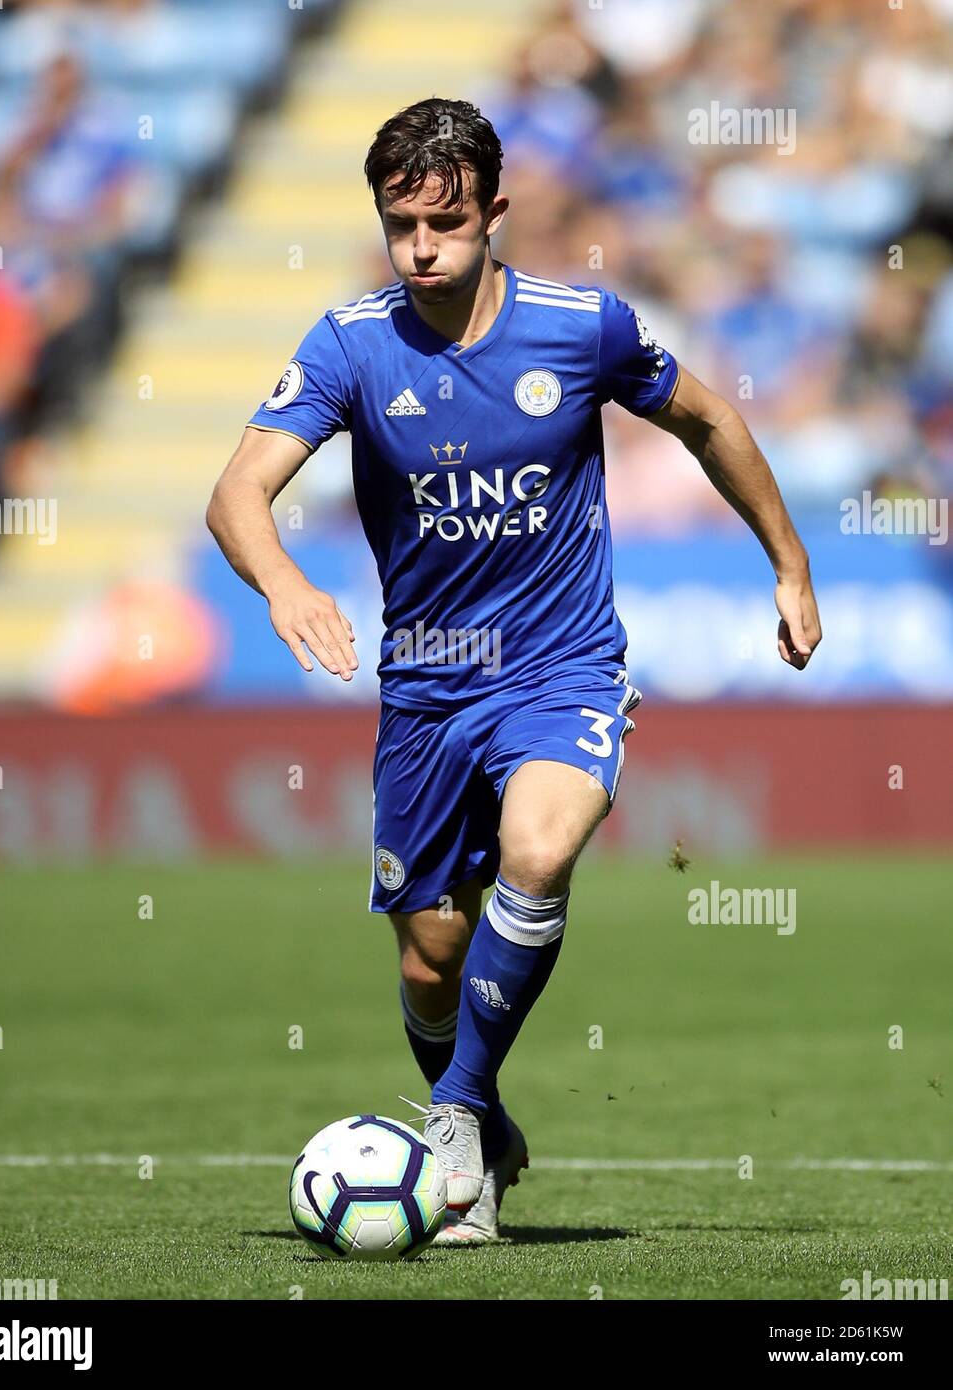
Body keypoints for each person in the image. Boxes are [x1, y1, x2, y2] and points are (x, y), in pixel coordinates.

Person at [206, 97, 822, 1246]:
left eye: (443, 223)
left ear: (494, 212)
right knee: (430, 962)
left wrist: (787, 564)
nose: (420, 248)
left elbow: (708, 421)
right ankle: (482, 1117)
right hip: (426, 687)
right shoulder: (349, 343)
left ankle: (454, 1114)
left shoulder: (582, 327)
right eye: (399, 226)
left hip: (560, 666)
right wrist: (284, 584)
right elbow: (238, 491)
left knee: (538, 853)